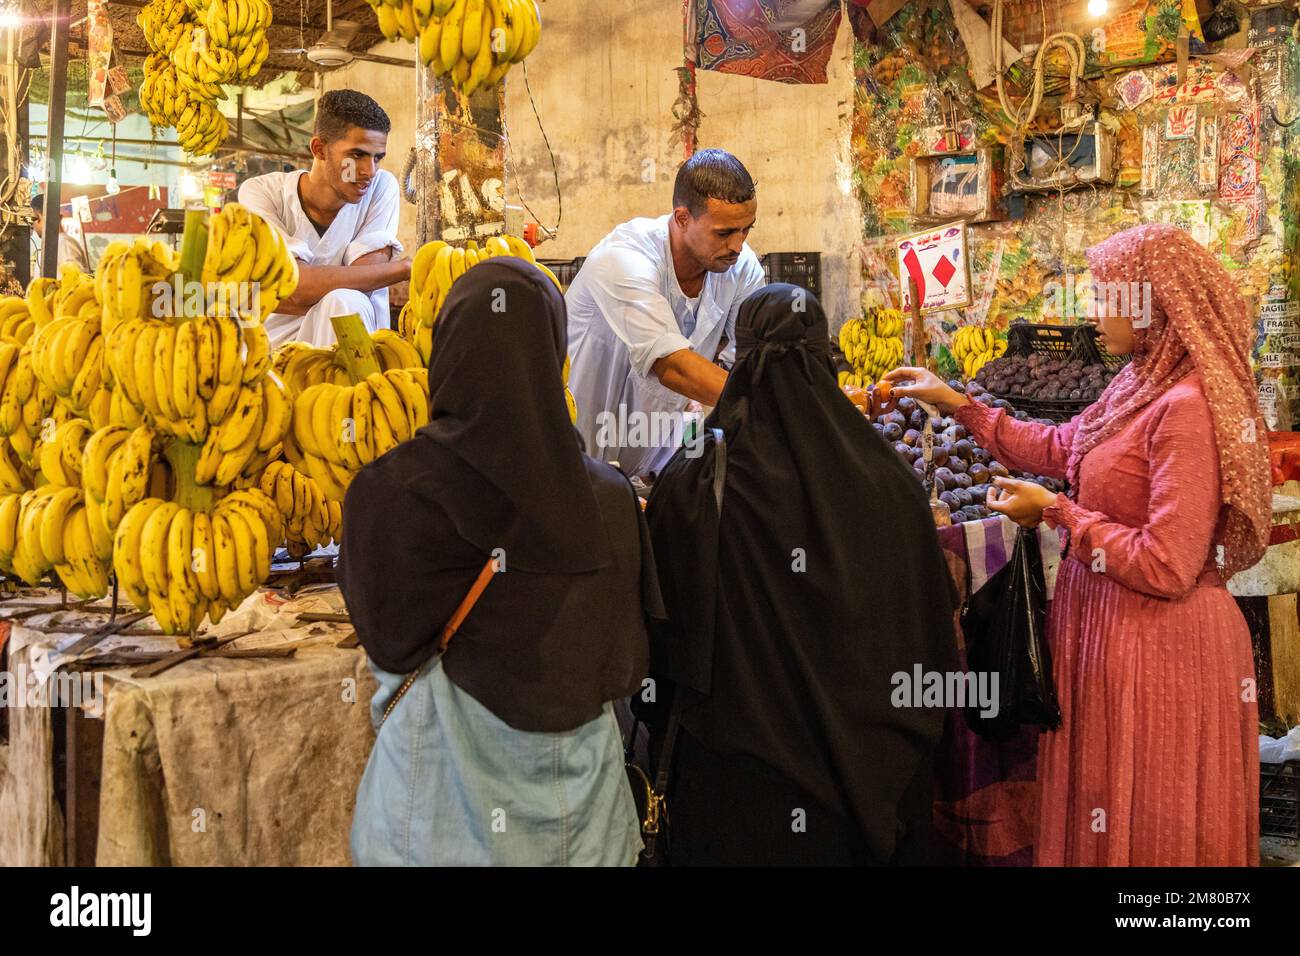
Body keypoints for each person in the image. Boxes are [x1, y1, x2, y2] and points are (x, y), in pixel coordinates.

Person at [887, 223, 1271, 866]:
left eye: (1107, 295)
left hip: (1161, 651)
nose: (1093, 312)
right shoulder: (1137, 384)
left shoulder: (1185, 407)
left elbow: (1169, 565)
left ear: (1152, 303)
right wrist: (961, 405)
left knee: (1151, 825)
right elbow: (1065, 448)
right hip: (1112, 635)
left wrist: (1060, 514)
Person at [339, 257, 662, 866]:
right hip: (582, 826)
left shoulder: (389, 492)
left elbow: (386, 641)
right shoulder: (610, 497)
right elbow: (622, 659)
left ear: (448, 349)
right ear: (553, 352)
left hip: (434, 818)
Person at [643, 284, 958, 866]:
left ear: (738, 359)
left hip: (736, 794)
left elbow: (660, 628)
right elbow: (931, 628)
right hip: (870, 792)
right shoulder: (890, 484)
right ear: (824, 357)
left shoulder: (695, 477)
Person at [566, 148, 766, 477]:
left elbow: (750, 363)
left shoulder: (740, 268)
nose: (737, 245)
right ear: (682, 217)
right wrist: (774, 405)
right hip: (582, 444)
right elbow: (673, 366)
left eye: (747, 230)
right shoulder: (624, 258)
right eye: (724, 233)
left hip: (653, 452)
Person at [239, 89, 409, 348]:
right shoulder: (261, 193)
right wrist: (403, 269)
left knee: (345, 301)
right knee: (343, 297)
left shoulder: (381, 187)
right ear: (319, 149)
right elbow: (294, 288)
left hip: (353, 353)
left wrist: (302, 283)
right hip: (276, 356)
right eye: (357, 155)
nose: (369, 171)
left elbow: (357, 284)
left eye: (377, 158)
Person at [31, 193, 92, 274]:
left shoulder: (64, 244)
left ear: (37, 217)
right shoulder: (52, 245)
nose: (33, 226)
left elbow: (75, 282)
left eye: (32, 220)